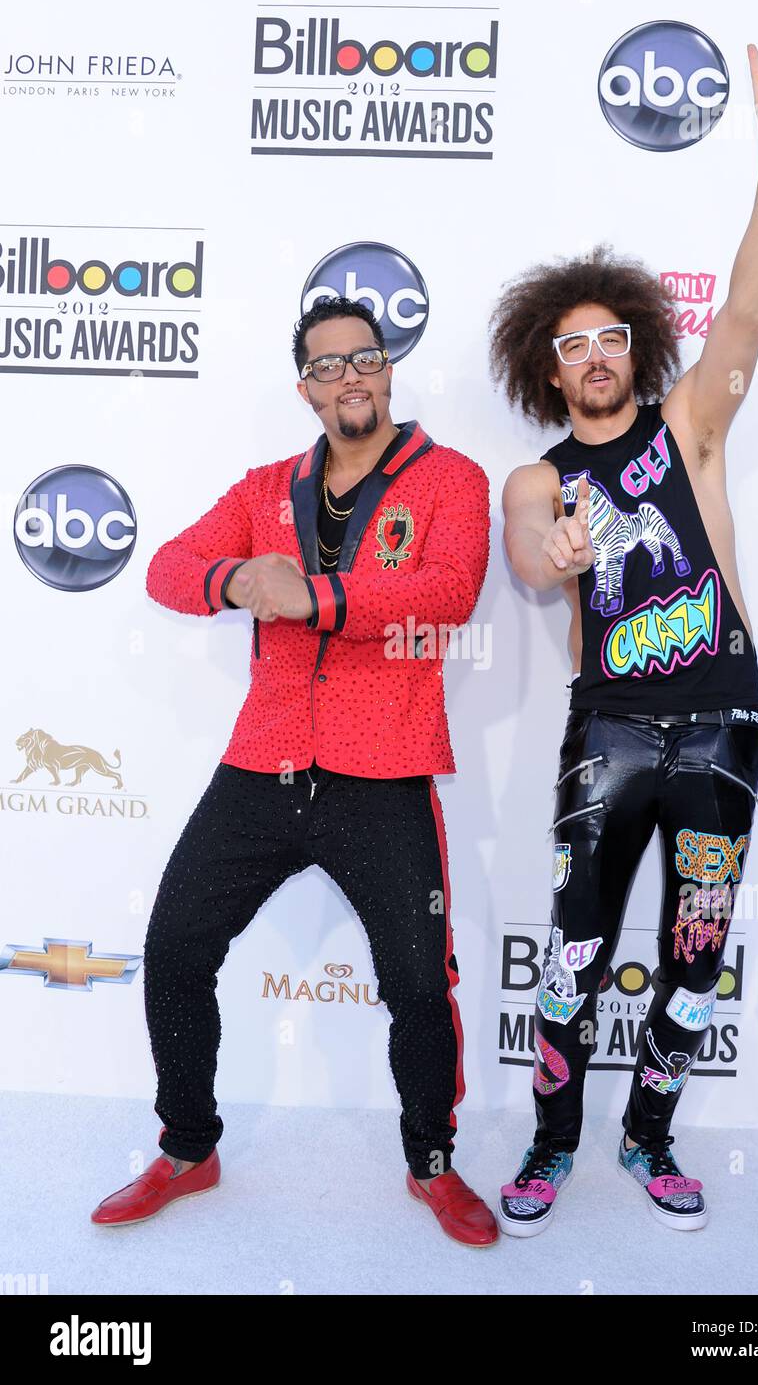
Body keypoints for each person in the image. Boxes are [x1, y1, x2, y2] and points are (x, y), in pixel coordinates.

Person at [489, 45, 758, 1235]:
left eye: (608, 337)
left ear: (636, 345)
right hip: (611, 732)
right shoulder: (538, 474)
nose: (592, 356)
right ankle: (550, 1144)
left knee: (695, 950)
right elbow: (530, 545)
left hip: (724, 724)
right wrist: (558, 556)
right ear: (547, 365)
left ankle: (652, 1136)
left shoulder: (693, 428)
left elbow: (749, 302)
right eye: (569, 345)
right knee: (575, 957)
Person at [90, 296, 497, 1247]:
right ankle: (189, 1149)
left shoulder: (452, 479)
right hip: (260, 760)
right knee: (178, 948)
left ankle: (431, 1163)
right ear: (305, 387)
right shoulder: (267, 485)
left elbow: (447, 594)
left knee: (416, 985)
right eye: (327, 366)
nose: (349, 377)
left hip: (385, 768)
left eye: (365, 358)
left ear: (390, 368)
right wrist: (238, 581)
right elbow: (167, 567)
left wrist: (311, 594)